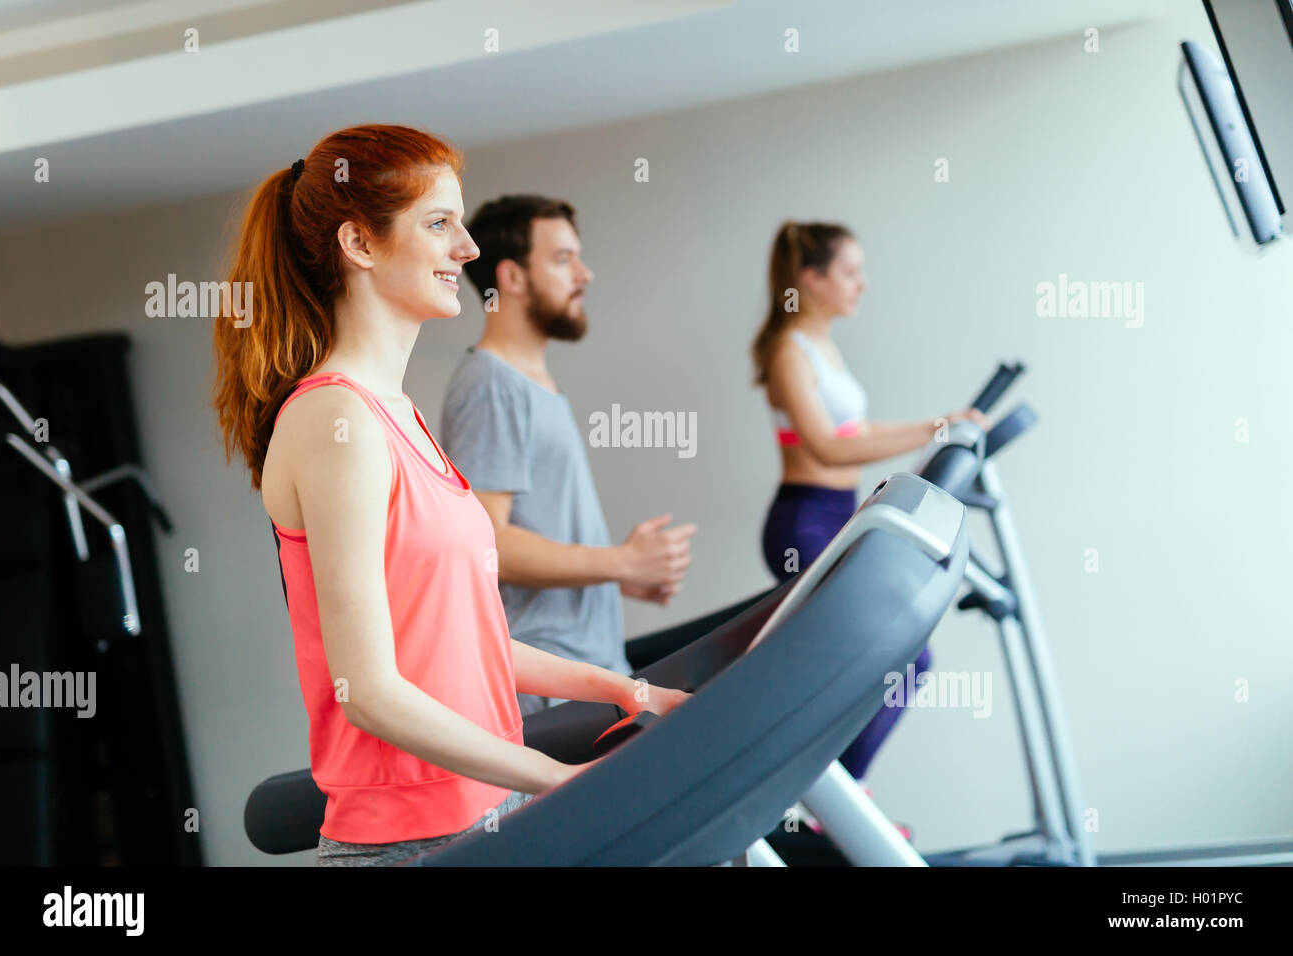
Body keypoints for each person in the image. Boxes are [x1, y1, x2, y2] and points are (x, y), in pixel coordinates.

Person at [210, 125, 687, 866]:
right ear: (360, 245)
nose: (467, 250)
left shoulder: (400, 414)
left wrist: (623, 691)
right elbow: (365, 688)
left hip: (488, 810)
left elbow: (465, 641)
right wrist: (558, 776)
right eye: (439, 224)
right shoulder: (334, 420)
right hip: (415, 844)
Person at [439, 195, 697, 717]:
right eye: (562, 260)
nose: (585, 273)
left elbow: (533, 529)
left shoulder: (532, 381)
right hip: (549, 680)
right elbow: (491, 544)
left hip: (590, 669)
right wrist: (618, 560)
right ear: (511, 278)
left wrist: (614, 574)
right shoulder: (491, 384)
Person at [753, 220, 984, 789]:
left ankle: (835, 798)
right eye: (850, 273)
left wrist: (942, 423)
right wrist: (933, 428)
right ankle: (832, 799)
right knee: (898, 658)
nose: (862, 285)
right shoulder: (790, 352)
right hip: (804, 521)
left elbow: (859, 427)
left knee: (884, 661)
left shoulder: (823, 346)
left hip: (843, 516)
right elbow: (829, 446)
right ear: (811, 278)